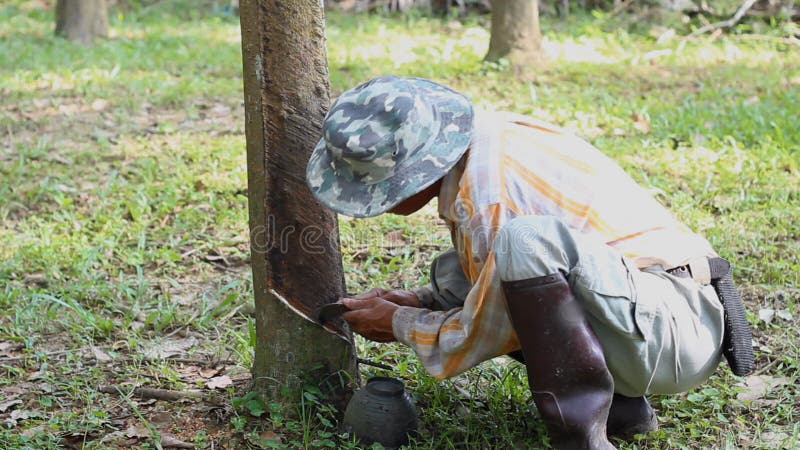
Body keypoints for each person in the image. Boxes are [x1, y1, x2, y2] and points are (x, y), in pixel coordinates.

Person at [305, 75, 752, 449]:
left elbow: (484, 329)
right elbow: (493, 286)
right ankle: (622, 409)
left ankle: (585, 442)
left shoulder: (490, 199)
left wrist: (401, 322)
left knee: (523, 247)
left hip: (675, 330)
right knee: (461, 268)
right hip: (664, 311)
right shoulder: (486, 143)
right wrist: (420, 300)